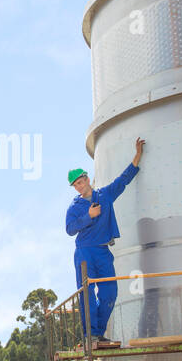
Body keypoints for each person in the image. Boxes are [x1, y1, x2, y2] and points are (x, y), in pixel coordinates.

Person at [66, 140, 144, 348]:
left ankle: (98, 333)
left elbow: (122, 181)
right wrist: (88, 216)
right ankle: (90, 335)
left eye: (80, 182)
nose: (79, 187)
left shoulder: (105, 195)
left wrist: (137, 157)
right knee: (88, 294)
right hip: (84, 252)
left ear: (87, 179)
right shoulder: (74, 207)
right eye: (75, 185)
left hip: (103, 251)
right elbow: (69, 229)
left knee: (110, 292)